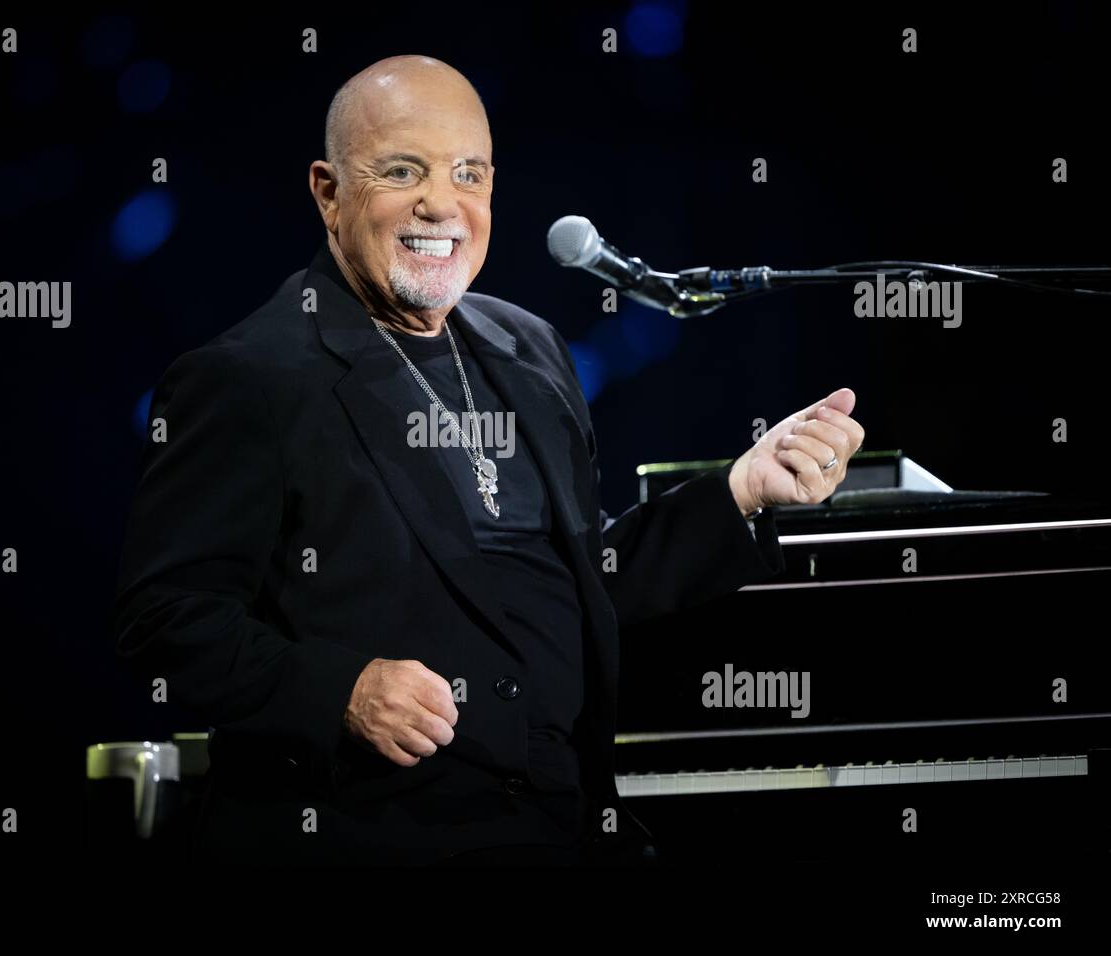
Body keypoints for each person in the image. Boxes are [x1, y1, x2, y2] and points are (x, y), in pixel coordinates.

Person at [110, 54, 865, 867]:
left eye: (467, 173)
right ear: (328, 191)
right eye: (403, 171)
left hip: (558, 836)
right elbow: (165, 622)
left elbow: (584, 578)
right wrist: (343, 691)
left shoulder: (529, 350)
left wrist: (741, 491)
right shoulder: (248, 378)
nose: (441, 202)